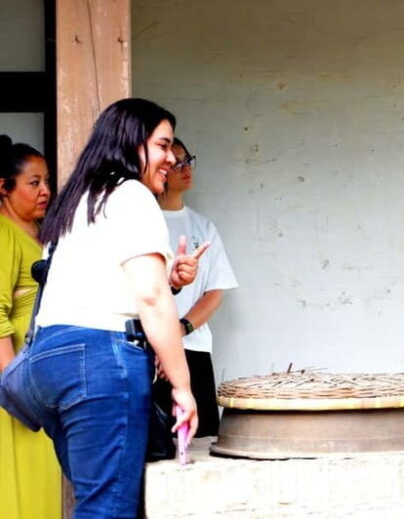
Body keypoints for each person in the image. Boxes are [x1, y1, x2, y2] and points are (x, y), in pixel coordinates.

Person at [19, 98, 203, 518]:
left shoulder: (77, 200)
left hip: (51, 361)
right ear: (131, 143)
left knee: (96, 500)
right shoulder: (132, 194)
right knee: (110, 508)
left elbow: (99, 283)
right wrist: (182, 384)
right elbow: (150, 298)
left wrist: (168, 278)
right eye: (162, 145)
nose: (171, 159)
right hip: (99, 361)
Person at [154, 138, 238, 438]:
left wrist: (182, 328)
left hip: (194, 347)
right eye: (176, 162)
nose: (184, 168)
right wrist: (162, 335)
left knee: (200, 441)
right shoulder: (144, 222)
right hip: (148, 351)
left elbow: (216, 291)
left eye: (187, 160)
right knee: (156, 442)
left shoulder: (203, 227)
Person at [0, 135, 61, 518]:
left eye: (47, 182)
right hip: (16, 381)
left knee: (43, 478)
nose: (45, 191)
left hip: (40, 379)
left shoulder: (40, 237)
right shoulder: (3, 235)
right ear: (4, 188)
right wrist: (11, 382)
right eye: (33, 182)